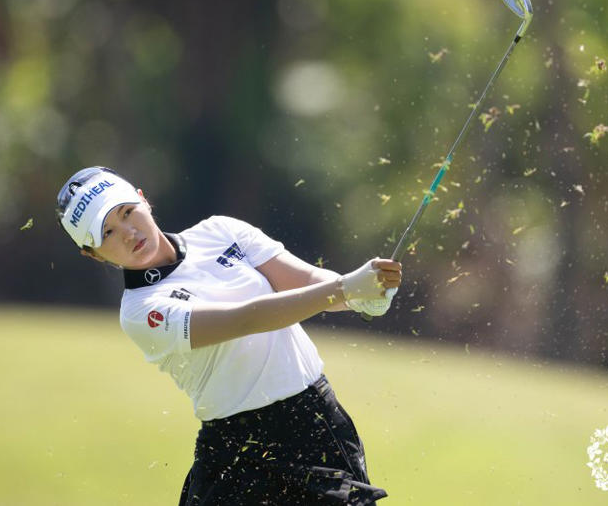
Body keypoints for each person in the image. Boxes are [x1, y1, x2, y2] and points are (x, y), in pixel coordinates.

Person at [55, 166, 403, 505]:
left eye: (128, 212)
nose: (129, 232)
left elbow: (310, 282)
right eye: (108, 233)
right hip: (238, 455)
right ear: (92, 253)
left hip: (315, 425)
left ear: (143, 200)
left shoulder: (221, 231)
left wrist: (361, 296)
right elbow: (245, 320)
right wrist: (345, 290)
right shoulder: (141, 311)